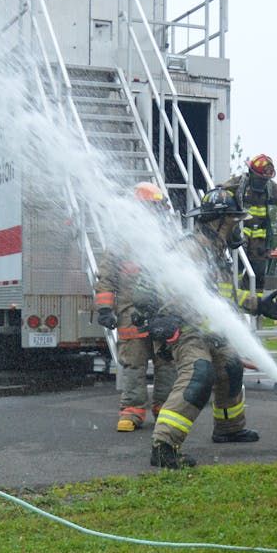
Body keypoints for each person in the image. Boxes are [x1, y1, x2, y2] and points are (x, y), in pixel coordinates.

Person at [148, 188, 277, 469]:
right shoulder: (190, 249)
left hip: (211, 331)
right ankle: (163, 445)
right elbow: (160, 285)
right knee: (199, 374)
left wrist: (258, 303)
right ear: (218, 222)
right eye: (234, 222)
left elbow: (225, 297)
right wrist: (159, 318)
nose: (238, 229)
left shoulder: (217, 253)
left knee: (231, 366)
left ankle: (229, 428)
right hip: (185, 329)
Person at [94, 183, 178, 432]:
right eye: (152, 208)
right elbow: (107, 277)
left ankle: (165, 410)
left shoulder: (169, 241)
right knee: (133, 364)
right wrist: (105, 309)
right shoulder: (121, 241)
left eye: (158, 209)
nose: (156, 214)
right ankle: (132, 411)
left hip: (163, 314)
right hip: (131, 315)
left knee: (167, 363)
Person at [221, 154, 277, 289]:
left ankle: (254, 299)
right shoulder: (240, 184)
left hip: (260, 240)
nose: (262, 182)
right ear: (251, 173)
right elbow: (223, 192)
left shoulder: (269, 187)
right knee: (236, 266)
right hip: (239, 235)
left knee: (259, 272)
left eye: (265, 180)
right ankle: (232, 293)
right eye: (259, 179)